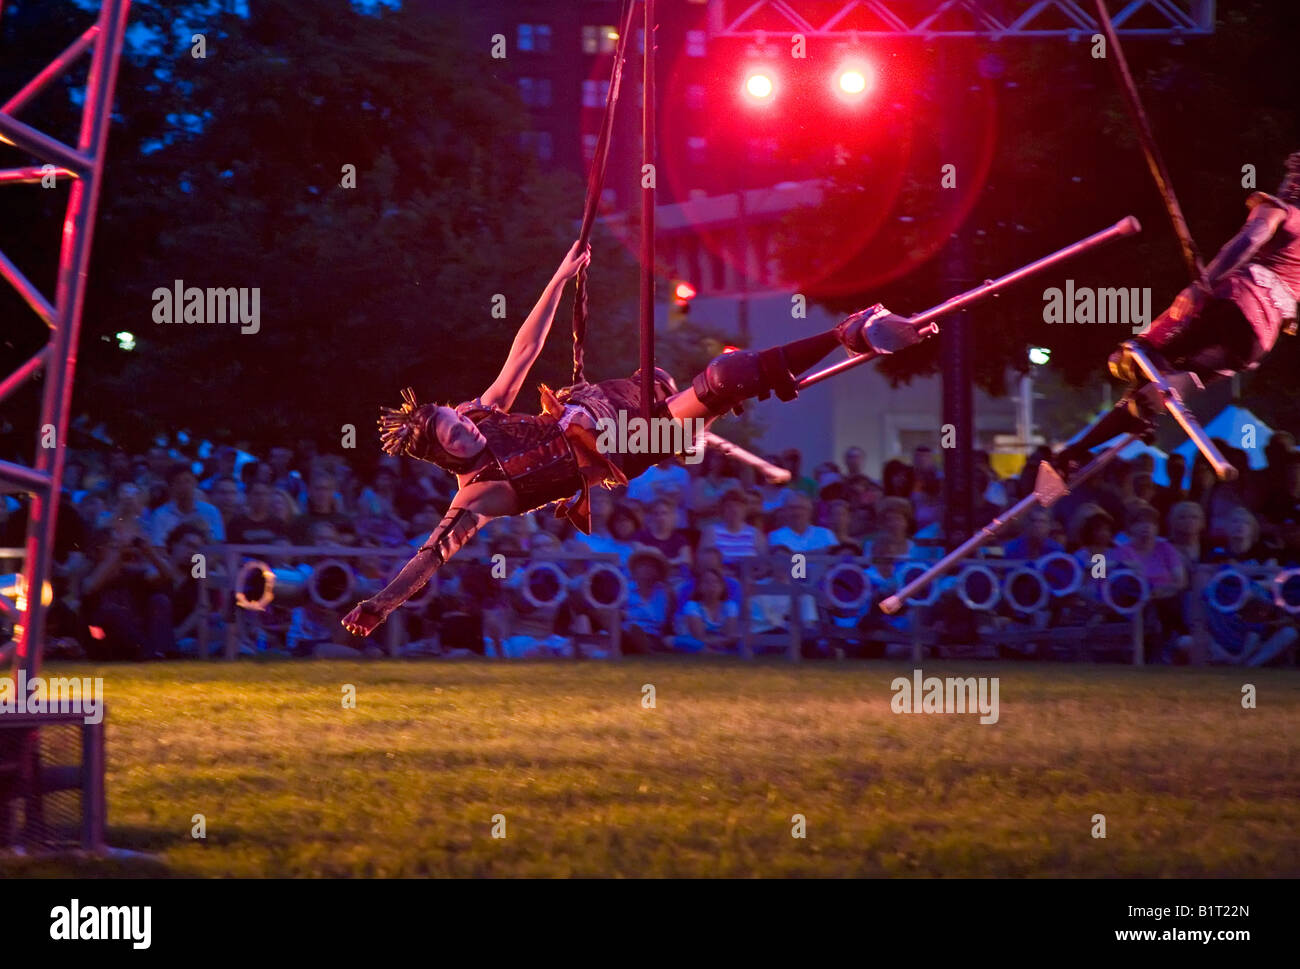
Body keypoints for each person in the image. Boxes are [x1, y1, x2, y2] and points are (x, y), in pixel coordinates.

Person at [342, 239, 926, 635]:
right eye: (456, 432)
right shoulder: (474, 496)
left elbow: (523, 351)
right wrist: (382, 602)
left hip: (606, 410)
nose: (467, 422)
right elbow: (431, 554)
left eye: (459, 416)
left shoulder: (485, 412)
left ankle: (854, 329)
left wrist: (561, 277)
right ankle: (845, 334)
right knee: (723, 379)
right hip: (622, 446)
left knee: (725, 376)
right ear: (445, 454)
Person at [1052, 152, 1300, 475]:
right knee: (1168, 385)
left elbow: (1246, 242)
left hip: (1236, 305)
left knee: (1146, 356)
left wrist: (1202, 284)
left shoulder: (1280, 211)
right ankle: (1130, 418)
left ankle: (1120, 410)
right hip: (1254, 344)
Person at [148, 462, 225, 546]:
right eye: (178, 482)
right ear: (170, 487)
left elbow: (219, 547)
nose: (184, 486)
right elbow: (158, 548)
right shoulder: (160, 515)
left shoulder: (211, 511)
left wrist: (205, 532)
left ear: (195, 483)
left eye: (187, 481)